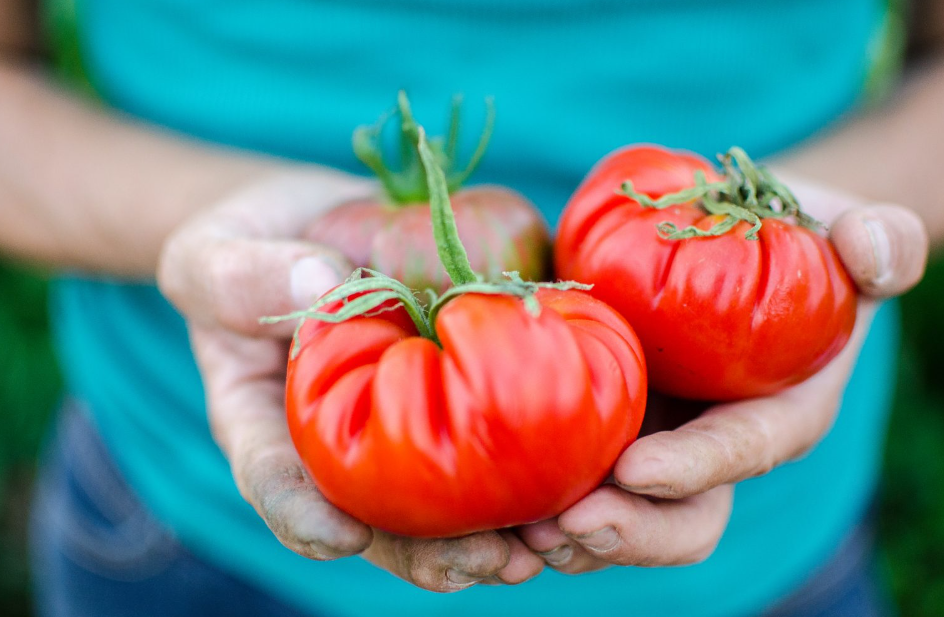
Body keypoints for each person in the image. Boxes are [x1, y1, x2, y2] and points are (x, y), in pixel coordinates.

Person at [0, 0, 937, 615]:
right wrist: (202, 234)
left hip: (764, 558)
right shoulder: (566, 333)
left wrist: (821, 253)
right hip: (191, 522)